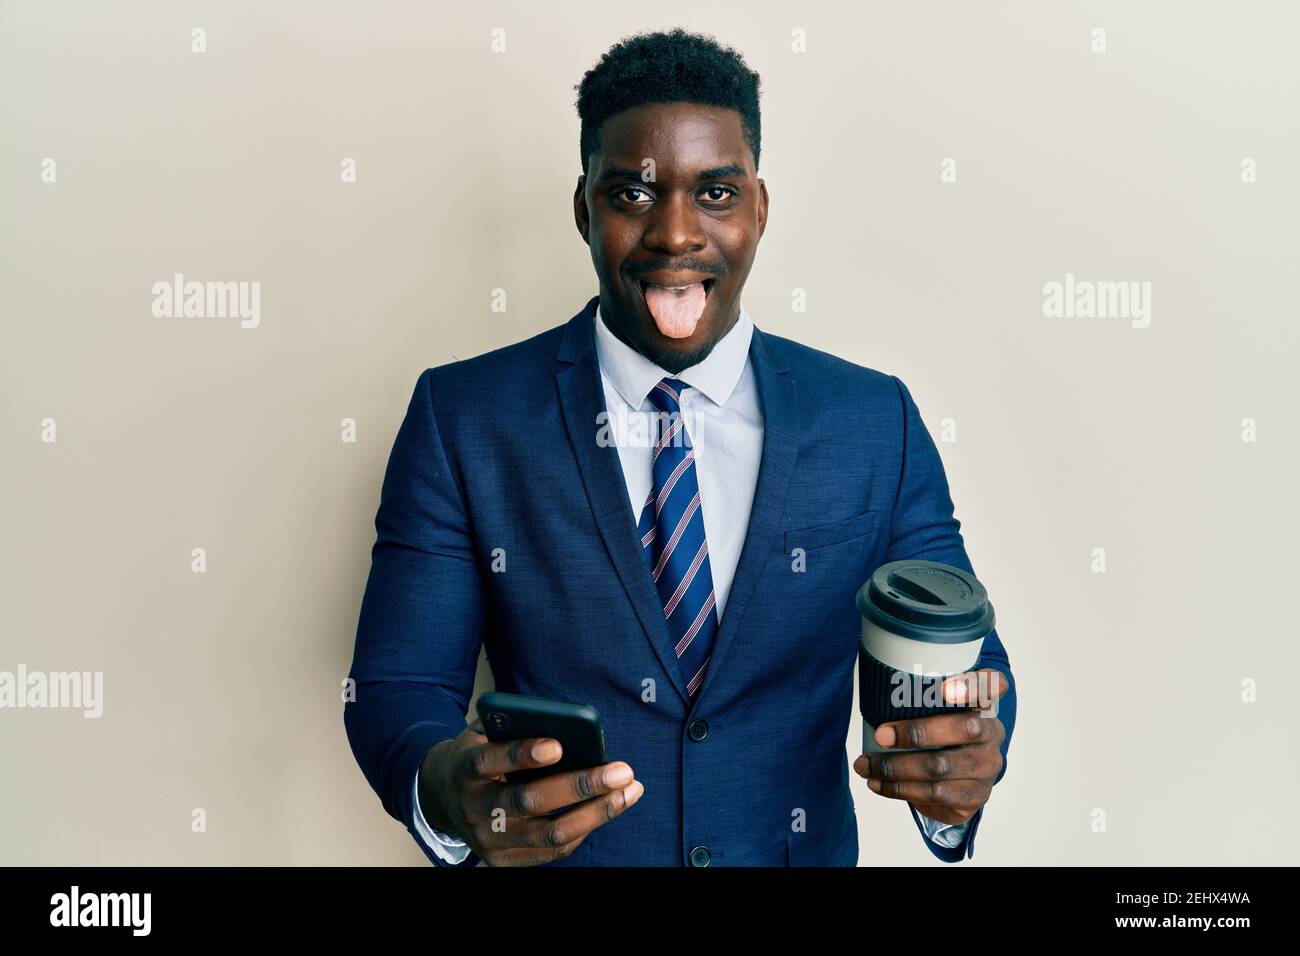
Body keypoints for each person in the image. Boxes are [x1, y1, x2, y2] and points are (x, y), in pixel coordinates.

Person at [344, 27, 1016, 867]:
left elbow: (965, 654)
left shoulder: (873, 422)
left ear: (759, 210)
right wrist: (449, 791)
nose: (675, 234)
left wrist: (961, 760)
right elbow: (400, 685)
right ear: (584, 208)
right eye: (632, 195)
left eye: (716, 195)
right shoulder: (464, 418)